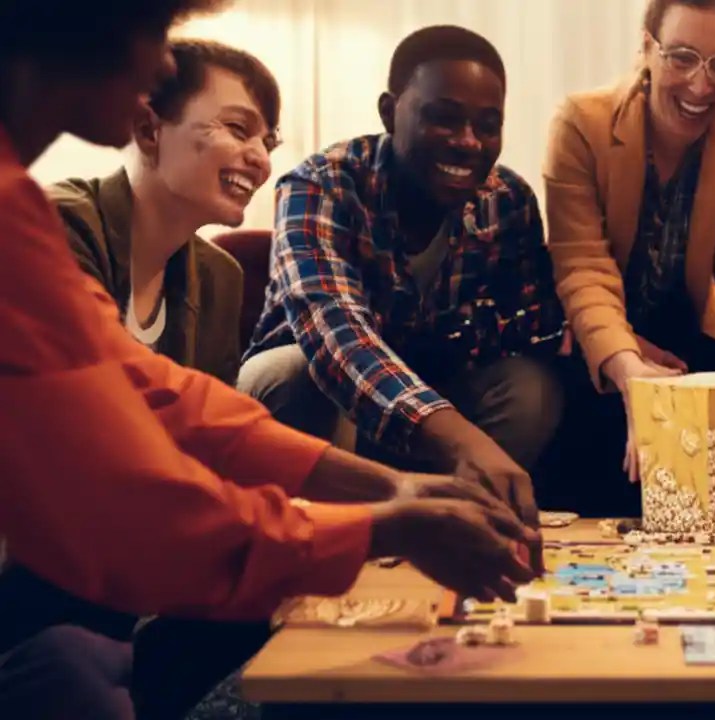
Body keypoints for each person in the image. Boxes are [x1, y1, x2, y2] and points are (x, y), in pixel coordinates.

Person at [0, 3, 540, 719]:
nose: (165, 63)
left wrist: (391, 490)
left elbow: (162, 394)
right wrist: (382, 525)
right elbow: (131, 499)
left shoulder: (34, 213)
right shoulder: (32, 223)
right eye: (155, 27)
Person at [240, 25, 566, 528]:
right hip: (318, 404)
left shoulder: (507, 200)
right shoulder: (319, 185)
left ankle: (457, 523)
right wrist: (463, 438)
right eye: (444, 118)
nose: (468, 143)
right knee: (294, 373)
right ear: (390, 112)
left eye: (488, 125)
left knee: (529, 387)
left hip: (434, 403)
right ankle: (330, 538)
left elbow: (532, 325)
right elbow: (337, 336)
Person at [545, 0, 715, 500]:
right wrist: (629, 371)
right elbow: (583, 269)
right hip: (595, 342)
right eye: (682, 57)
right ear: (647, 47)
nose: (700, 86)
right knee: (593, 461)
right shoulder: (581, 124)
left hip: (690, 330)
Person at [48, 39, 278, 386]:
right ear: (147, 130)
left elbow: (213, 420)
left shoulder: (221, 275)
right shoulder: (62, 224)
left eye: (269, 143)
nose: (262, 160)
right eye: (237, 128)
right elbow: (87, 396)